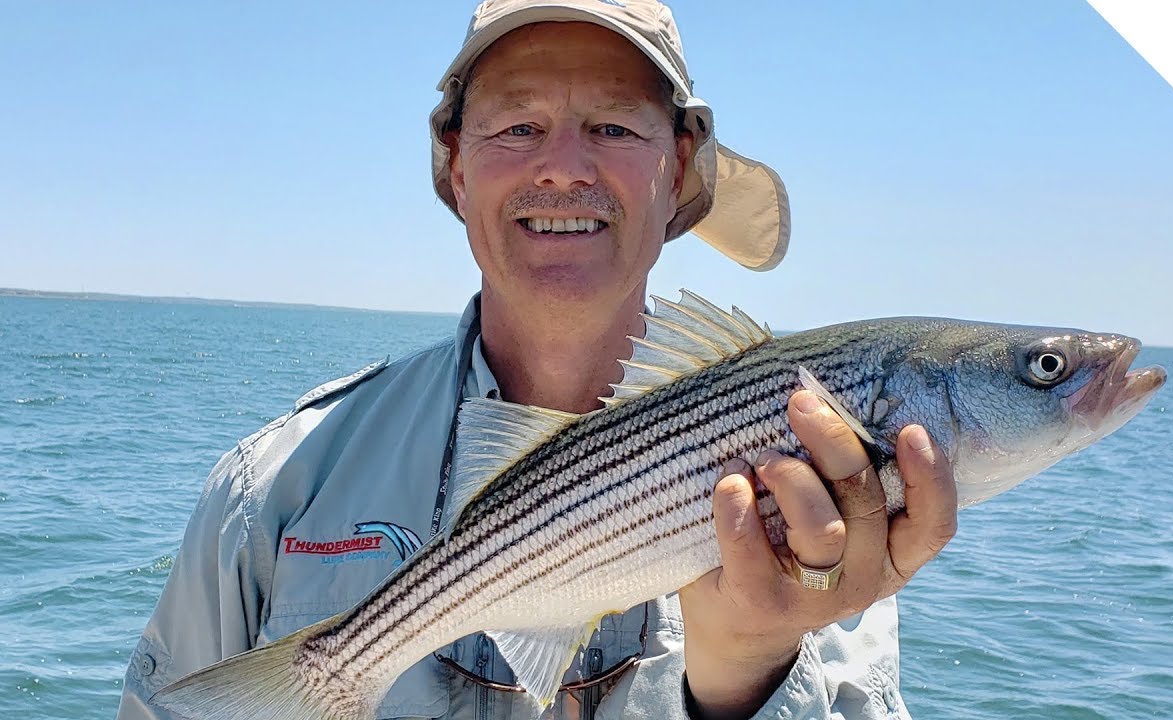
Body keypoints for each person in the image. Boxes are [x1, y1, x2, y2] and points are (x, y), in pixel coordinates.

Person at [117, 1, 958, 718]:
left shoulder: (827, 504)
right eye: (518, 126)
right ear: (456, 164)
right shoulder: (269, 490)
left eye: (614, 126)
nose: (562, 168)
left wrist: (748, 671)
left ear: (678, 166)